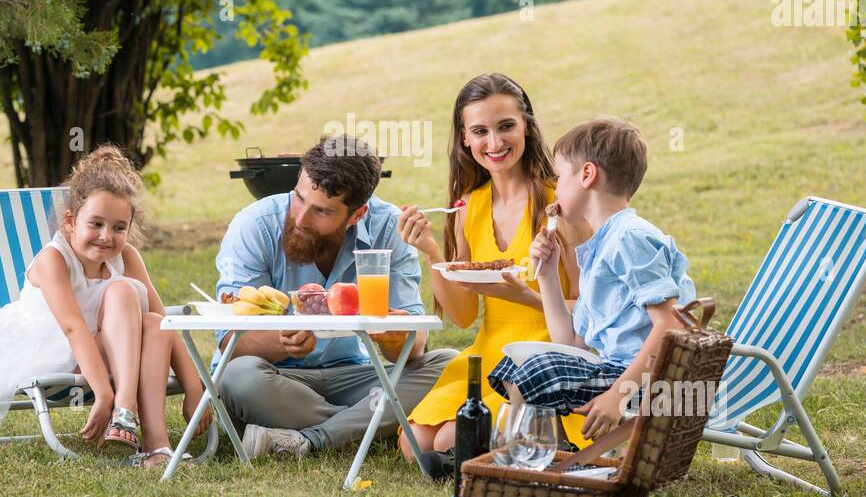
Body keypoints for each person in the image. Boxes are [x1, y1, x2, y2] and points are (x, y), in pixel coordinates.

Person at [0, 144, 211, 468]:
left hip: (115, 352)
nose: (106, 236)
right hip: (56, 353)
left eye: (118, 227)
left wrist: (195, 387)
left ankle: (157, 448)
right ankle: (123, 409)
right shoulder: (53, 260)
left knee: (153, 322)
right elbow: (73, 329)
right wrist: (104, 394)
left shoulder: (126, 257)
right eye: (96, 224)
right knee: (123, 292)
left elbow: (164, 322)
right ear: (70, 221)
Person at [212, 134, 455, 459]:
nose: (300, 218)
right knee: (237, 378)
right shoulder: (256, 225)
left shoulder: (387, 229)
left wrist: (394, 336)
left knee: (448, 363)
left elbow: (414, 349)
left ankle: (309, 439)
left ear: (356, 214)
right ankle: (369, 424)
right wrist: (282, 341)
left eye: (321, 211)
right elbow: (230, 342)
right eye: (299, 198)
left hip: (355, 374)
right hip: (279, 378)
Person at [396, 73, 590, 476]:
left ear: (527, 128)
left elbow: (592, 309)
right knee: (414, 443)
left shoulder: (560, 204)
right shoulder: (469, 206)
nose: (495, 143)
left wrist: (529, 298)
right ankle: (492, 457)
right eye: (480, 131)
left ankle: (523, 448)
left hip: (550, 355)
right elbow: (465, 316)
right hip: (489, 354)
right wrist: (432, 252)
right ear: (465, 138)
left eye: (506, 127)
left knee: (453, 439)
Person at [487, 117, 697, 442]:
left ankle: (538, 460)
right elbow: (569, 343)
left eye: (559, 177)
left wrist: (619, 395)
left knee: (536, 370)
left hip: (650, 380)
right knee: (517, 366)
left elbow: (672, 324)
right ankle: (558, 458)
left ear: (587, 174)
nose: (555, 189)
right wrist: (547, 275)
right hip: (618, 370)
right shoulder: (601, 245)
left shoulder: (630, 239)